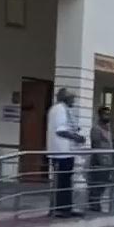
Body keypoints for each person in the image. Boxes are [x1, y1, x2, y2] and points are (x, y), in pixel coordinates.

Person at [46, 88, 85, 217]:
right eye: (72, 98)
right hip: (61, 152)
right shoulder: (60, 109)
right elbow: (61, 130)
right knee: (62, 181)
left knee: (66, 181)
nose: (74, 100)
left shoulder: (61, 109)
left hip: (65, 152)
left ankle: (66, 207)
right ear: (65, 98)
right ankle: (61, 209)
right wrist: (76, 137)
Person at [87, 107, 114, 213]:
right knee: (96, 184)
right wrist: (100, 162)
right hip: (99, 161)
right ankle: (93, 204)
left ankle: (96, 203)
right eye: (105, 114)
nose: (107, 116)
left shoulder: (108, 128)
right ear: (100, 115)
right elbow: (96, 146)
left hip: (108, 160)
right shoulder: (96, 129)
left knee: (103, 184)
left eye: (108, 114)